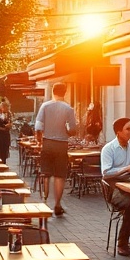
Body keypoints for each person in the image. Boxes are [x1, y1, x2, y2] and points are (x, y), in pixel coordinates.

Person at [100, 117, 130, 257]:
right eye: (128, 129)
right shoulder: (108, 149)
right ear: (118, 132)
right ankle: (122, 243)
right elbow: (106, 173)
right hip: (114, 189)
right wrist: (127, 168)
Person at [35, 83, 77, 216]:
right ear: (65, 92)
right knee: (60, 175)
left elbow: (38, 126)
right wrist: (67, 131)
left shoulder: (45, 106)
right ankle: (57, 204)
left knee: (46, 173)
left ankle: (45, 201)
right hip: (61, 144)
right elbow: (73, 130)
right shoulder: (69, 109)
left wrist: (39, 141)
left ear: (53, 91)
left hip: (47, 142)